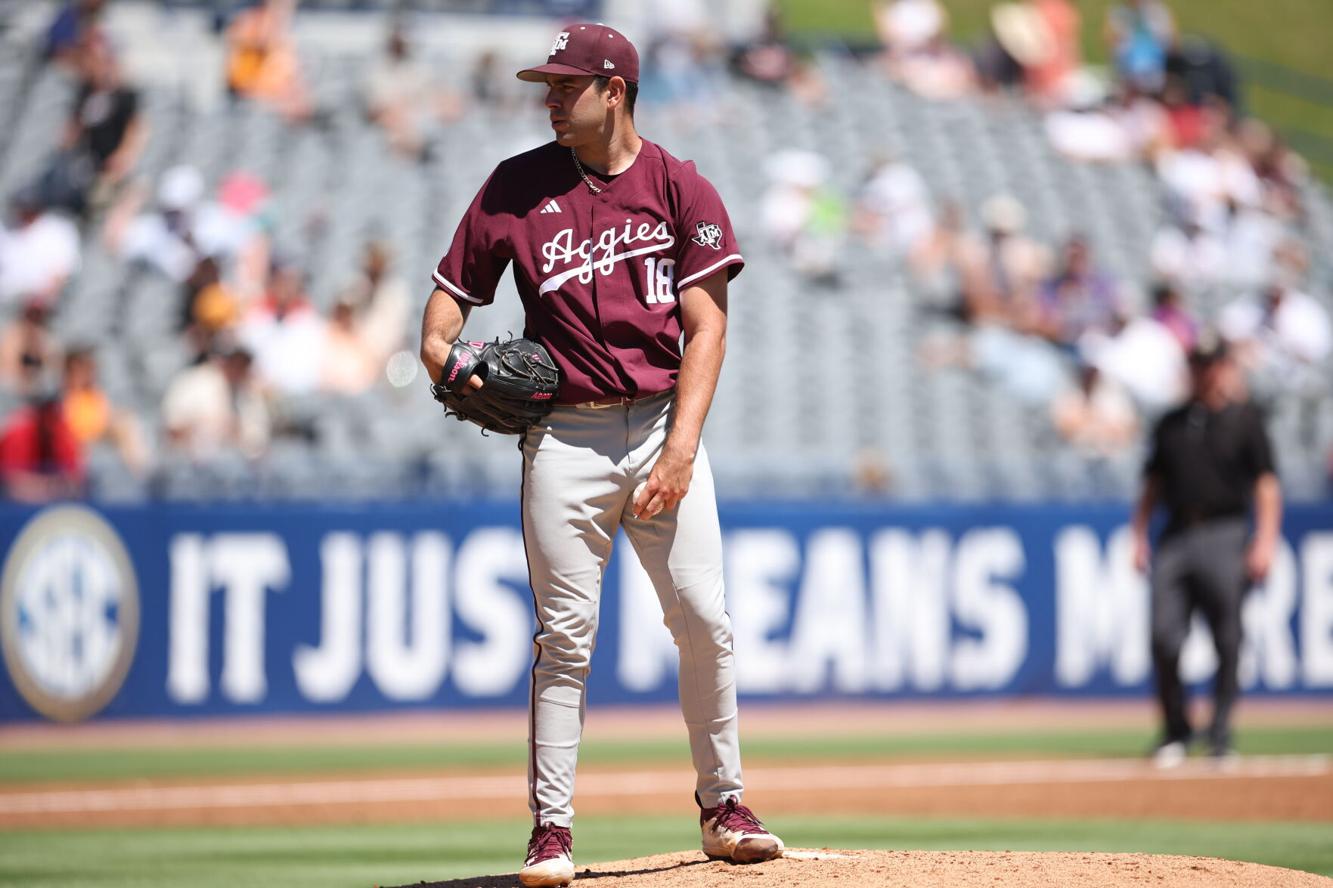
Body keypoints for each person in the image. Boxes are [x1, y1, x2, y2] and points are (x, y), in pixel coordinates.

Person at [418, 24, 784, 888]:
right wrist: (457, 364)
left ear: (613, 89)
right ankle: (551, 831)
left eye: (564, 84)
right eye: (546, 83)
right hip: (567, 435)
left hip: (662, 421)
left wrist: (683, 447)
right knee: (567, 640)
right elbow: (438, 326)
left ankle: (723, 806)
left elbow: (707, 327)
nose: (549, 96)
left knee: (703, 619)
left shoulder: (680, 187)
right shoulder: (514, 188)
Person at [1131, 337, 1281, 767]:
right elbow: (1152, 484)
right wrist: (1138, 534)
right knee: (1163, 635)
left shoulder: (1245, 421)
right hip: (1176, 534)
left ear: (1224, 367)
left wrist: (1265, 539)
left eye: (1211, 364)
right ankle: (1176, 728)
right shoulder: (1171, 422)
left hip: (1226, 531)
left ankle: (1220, 731)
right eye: (1197, 363)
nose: (1204, 371)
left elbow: (1267, 484)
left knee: (1227, 637)